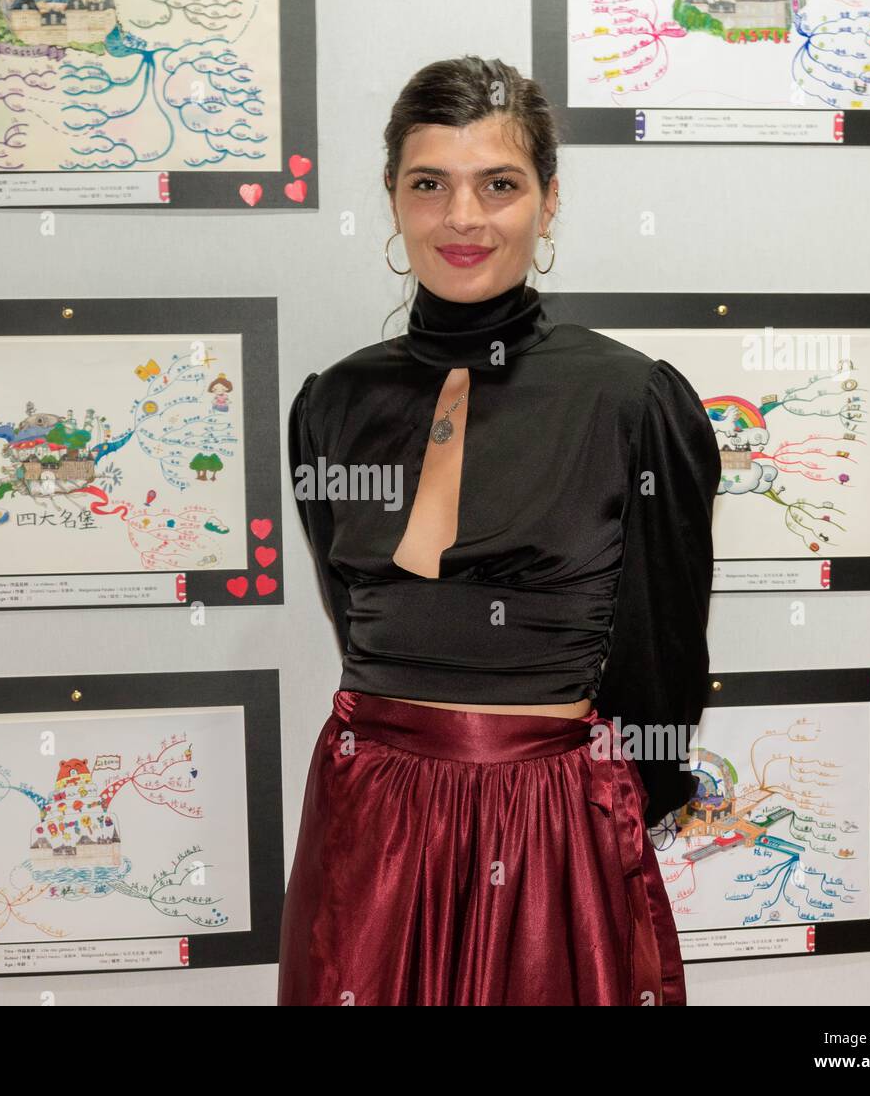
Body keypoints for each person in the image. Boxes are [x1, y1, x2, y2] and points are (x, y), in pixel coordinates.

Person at [279, 57, 722, 1006]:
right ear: (393, 200)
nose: (463, 218)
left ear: (549, 202)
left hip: (551, 829)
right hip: (369, 830)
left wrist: (591, 825)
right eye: (429, 183)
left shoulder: (634, 401)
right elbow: (353, 619)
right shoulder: (330, 405)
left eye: (500, 184)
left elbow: (663, 660)